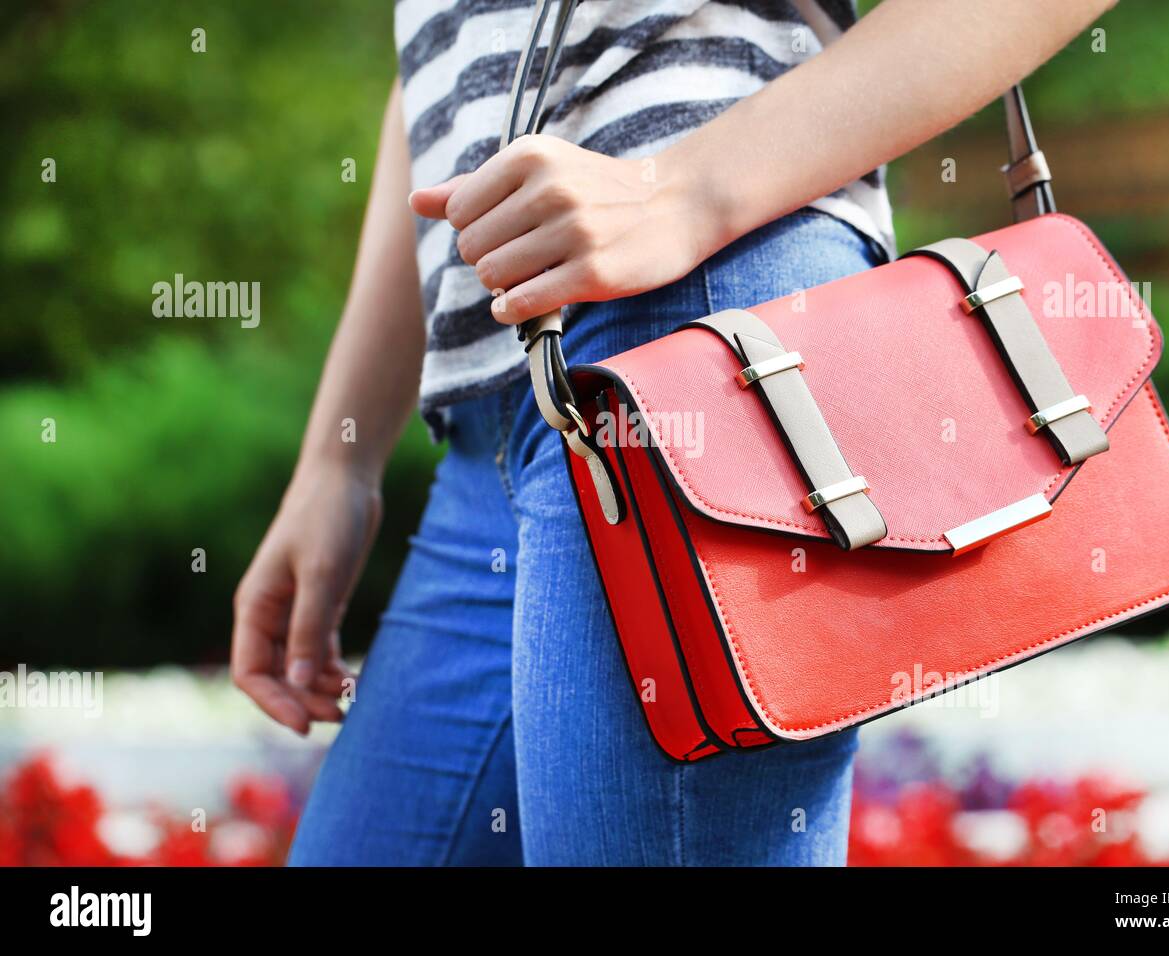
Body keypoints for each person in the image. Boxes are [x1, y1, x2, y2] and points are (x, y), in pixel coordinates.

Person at [231, 0, 1117, 865]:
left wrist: (679, 191)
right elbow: (447, 65)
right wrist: (337, 459)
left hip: (705, 329)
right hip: (496, 421)